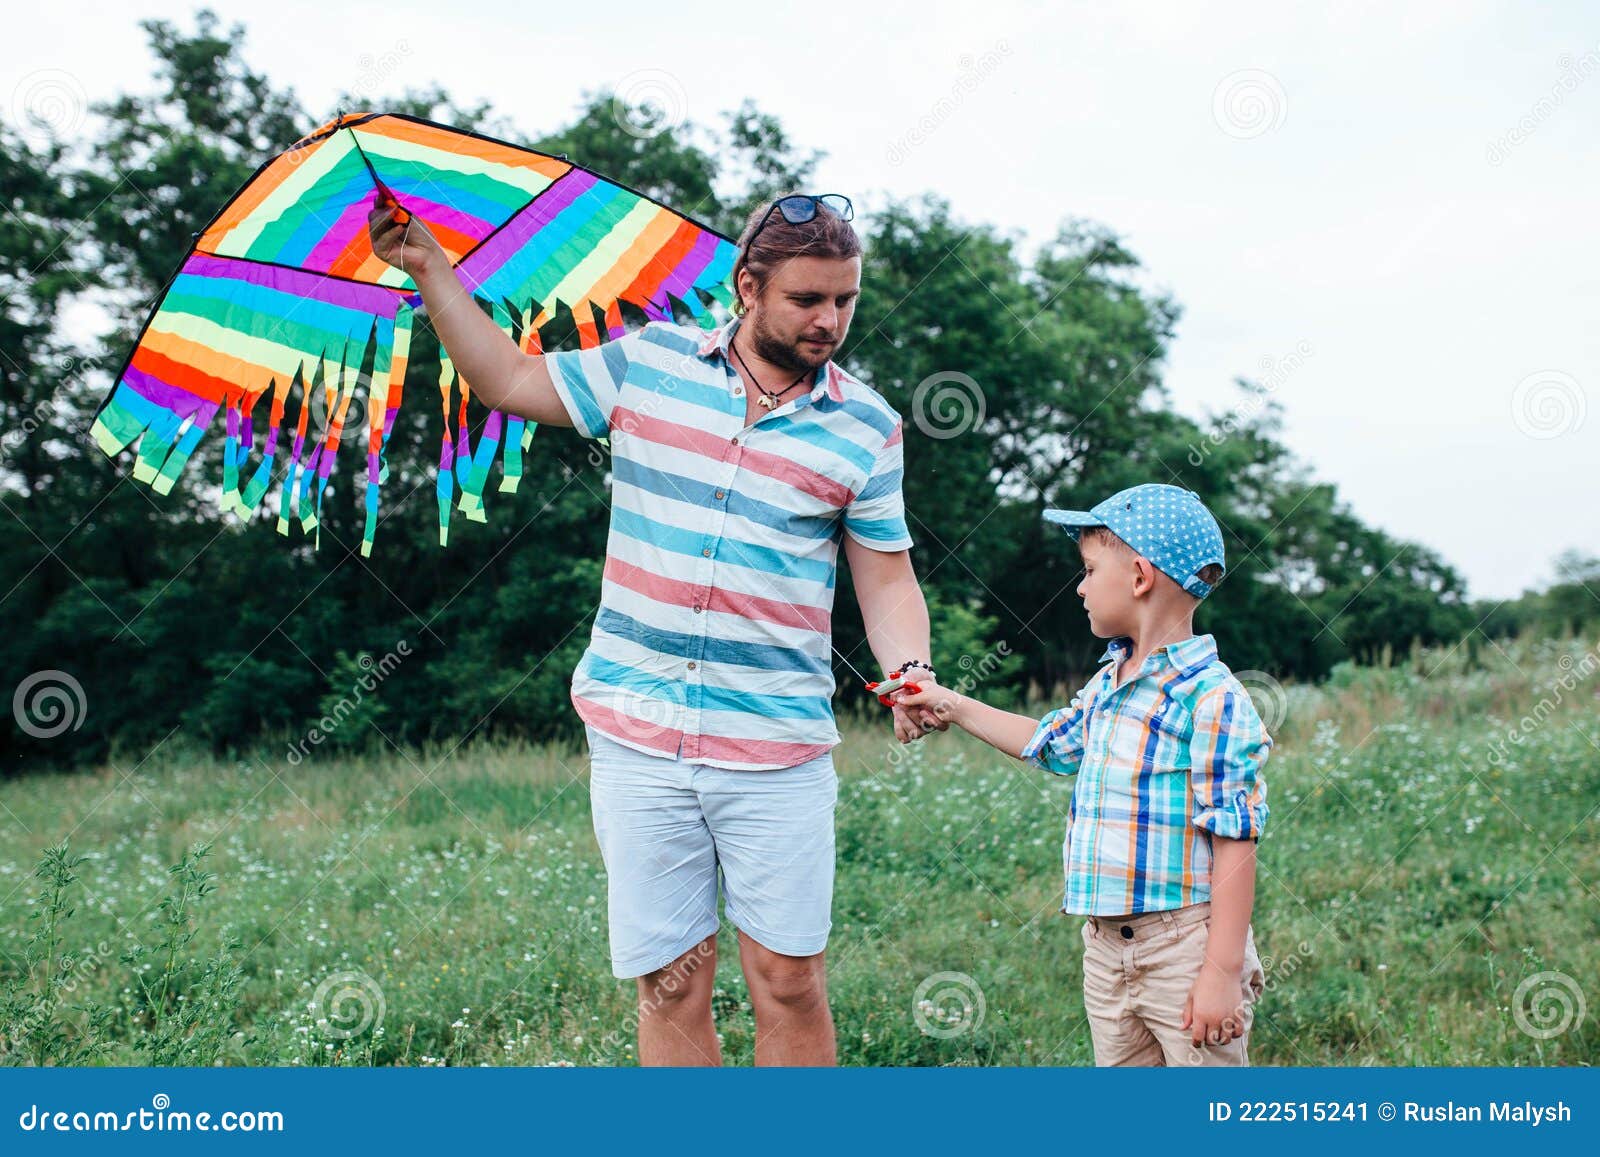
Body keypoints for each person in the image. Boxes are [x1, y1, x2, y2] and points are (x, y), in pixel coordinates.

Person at [369, 191, 946, 1066]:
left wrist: (911, 666)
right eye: (807, 299)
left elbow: (888, 573)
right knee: (671, 983)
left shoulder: (867, 427)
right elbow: (509, 380)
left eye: (846, 300)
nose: (830, 320)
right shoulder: (652, 362)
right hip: (638, 735)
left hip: (776, 746)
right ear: (748, 285)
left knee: (789, 980)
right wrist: (431, 270)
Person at [897, 483, 1271, 1065]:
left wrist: (1221, 974)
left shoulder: (1212, 698)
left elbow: (1235, 841)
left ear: (1140, 577)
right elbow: (1048, 744)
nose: (1080, 586)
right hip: (1105, 950)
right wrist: (951, 703)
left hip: (1184, 948)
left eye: (1090, 570)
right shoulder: (1108, 684)